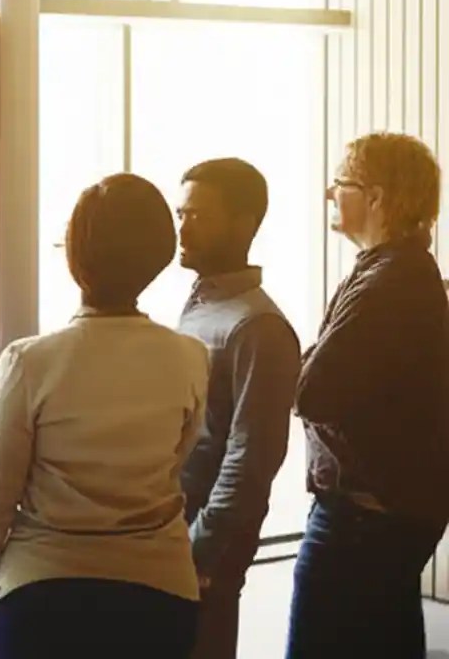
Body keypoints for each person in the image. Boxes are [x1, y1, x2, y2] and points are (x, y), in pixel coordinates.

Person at [0, 173, 208, 659]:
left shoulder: (29, 363)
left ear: (74, 256)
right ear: (158, 256)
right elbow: (176, 462)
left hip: (42, 597)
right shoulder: (190, 357)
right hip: (160, 597)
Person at [285, 132, 449, 658]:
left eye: (341, 183)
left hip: (361, 520)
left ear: (376, 198)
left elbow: (313, 391)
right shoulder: (395, 272)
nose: (331, 195)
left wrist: (302, 364)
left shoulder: (389, 282)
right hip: (387, 515)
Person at [175, 159, 300, 659]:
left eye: (198, 216)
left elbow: (251, 457)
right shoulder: (204, 305)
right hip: (175, 532)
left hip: (204, 547)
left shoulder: (257, 327)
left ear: (243, 223)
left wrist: (200, 546)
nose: (182, 228)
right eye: (180, 213)